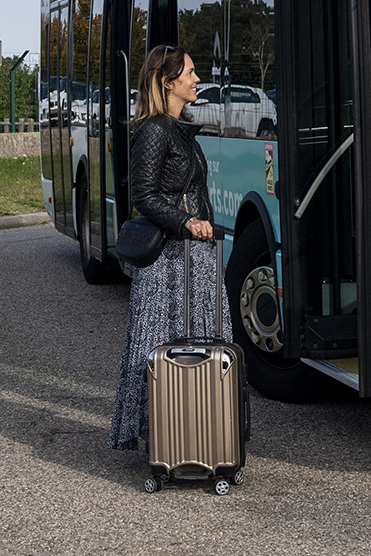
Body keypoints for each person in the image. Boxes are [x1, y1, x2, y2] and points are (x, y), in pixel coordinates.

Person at [108, 44, 231, 452]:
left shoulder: (179, 126)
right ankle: (161, 435)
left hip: (194, 256)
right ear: (168, 82)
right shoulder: (155, 129)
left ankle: (199, 431)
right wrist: (185, 222)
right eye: (191, 73)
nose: (197, 80)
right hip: (167, 260)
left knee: (199, 343)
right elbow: (143, 193)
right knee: (162, 343)